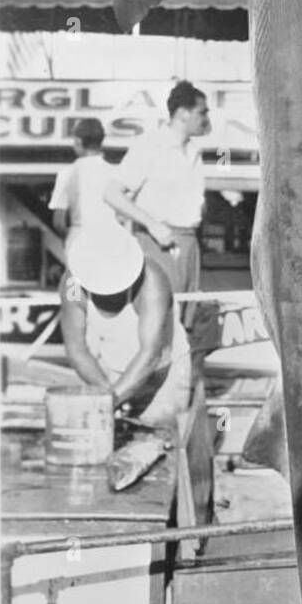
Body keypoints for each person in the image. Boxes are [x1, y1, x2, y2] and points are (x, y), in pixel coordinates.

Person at [61, 224, 191, 425]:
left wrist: (111, 399)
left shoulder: (152, 280)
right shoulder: (73, 285)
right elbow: (76, 348)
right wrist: (107, 394)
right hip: (111, 373)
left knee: (164, 442)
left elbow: (150, 354)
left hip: (163, 375)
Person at [104, 81, 210, 295]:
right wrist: (152, 225)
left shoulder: (195, 152)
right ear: (182, 113)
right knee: (160, 318)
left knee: (186, 320)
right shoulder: (150, 145)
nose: (206, 119)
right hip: (157, 244)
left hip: (189, 245)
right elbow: (111, 193)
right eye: (202, 112)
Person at [49, 117, 118, 255]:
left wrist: (69, 236)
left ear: (78, 142)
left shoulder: (67, 173)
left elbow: (58, 222)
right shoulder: (116, 173)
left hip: (79, 238)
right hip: (109, 238)